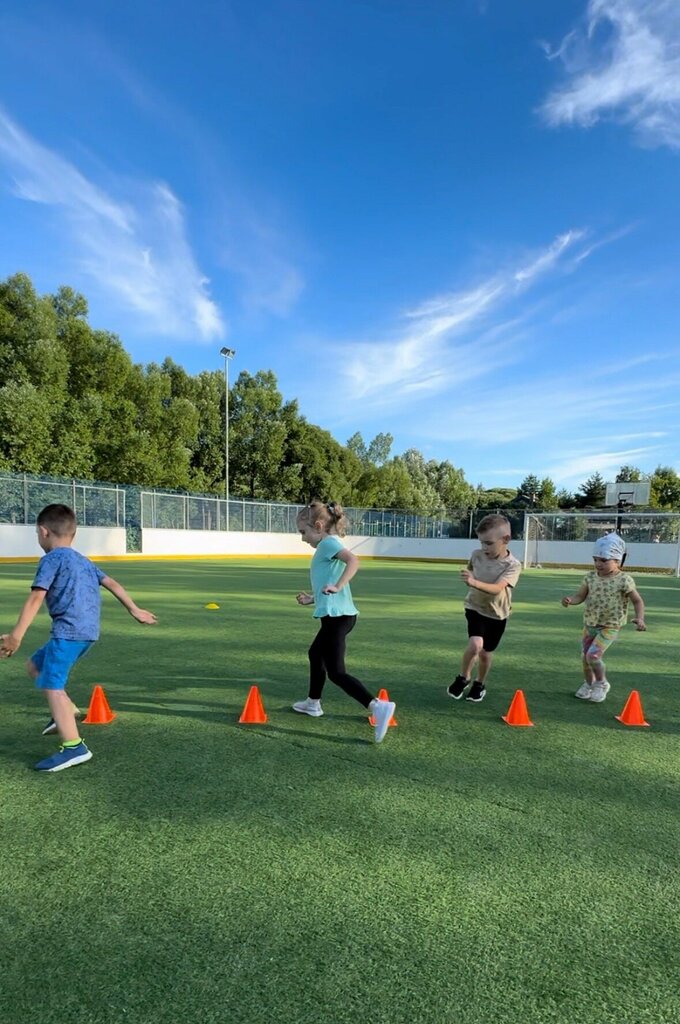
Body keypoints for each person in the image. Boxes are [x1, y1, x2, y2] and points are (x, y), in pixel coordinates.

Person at [0, 504, 157, 772]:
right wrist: (134, 609)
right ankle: (67, 710)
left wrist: (16, 636)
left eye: (38, 534)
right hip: (87, 633)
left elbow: (36, 597)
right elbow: (112, 583)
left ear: (44, 532)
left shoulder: (51, 560)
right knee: (35, 665)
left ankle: (74, 747)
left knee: (52, 685)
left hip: (68, 632)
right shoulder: (84, 560)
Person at [293, 500, 396, 743]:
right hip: (336, 617)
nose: (302, 538)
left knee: (337, 672)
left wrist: (338, 586)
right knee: (315, 654)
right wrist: (313, 598)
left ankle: (377, 706)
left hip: (338, 618)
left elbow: (353, 561)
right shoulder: (326, 546)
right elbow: (327, 580)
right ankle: (313, 703)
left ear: (319, 526)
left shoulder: (328, 543)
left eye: (303, 531)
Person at [561, 532, 646, 702]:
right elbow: (580, 596)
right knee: (585, 658)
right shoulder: (590, 577)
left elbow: (637, 601)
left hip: (610, 625)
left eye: (604, 560)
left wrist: (640, 618)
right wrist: (570, 600)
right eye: (595, 560)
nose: (598, 564)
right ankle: (588, 684)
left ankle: (601, 683)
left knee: (593, 656)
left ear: (617, 561)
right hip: (590, 624)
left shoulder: (624, 580)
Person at [447, 514, 521, 703]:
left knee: (486, 653)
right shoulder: (476, 555)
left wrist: (473, 582)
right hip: (474, 607)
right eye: (481, 542)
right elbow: (471, 572)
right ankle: (464, 677)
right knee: (475, 644)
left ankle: (479, 684)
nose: (484, 547)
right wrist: (469, 577)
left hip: (497, 614)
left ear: (506, 539)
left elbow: (497, 589)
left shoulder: (513, 565)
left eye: (488, 543)